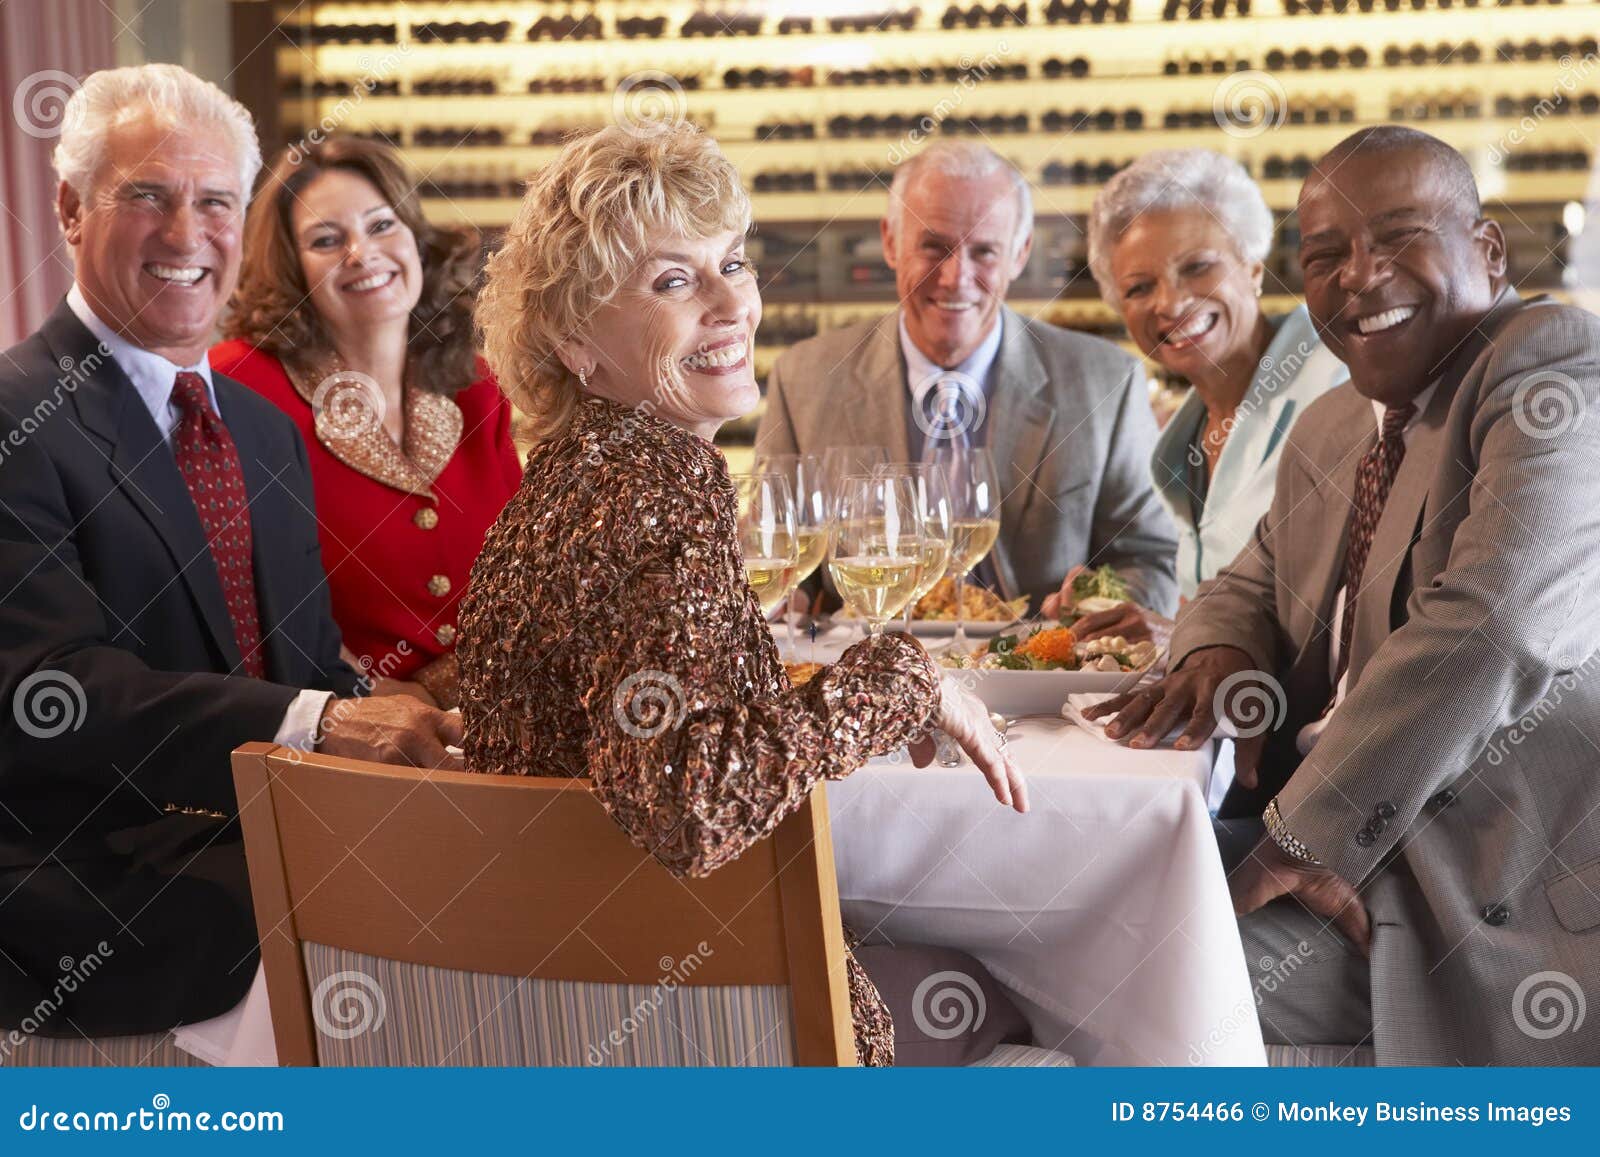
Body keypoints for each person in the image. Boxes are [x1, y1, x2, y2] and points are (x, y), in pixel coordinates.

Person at [457, 122, 1027, 1067]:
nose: (732, 302)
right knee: (1029, 993)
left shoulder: (565, 479)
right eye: (673, 281)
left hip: (558, 1009)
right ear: (572, 339)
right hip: (690, 1039)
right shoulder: (657, 485)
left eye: (734, 262)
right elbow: (689, 797)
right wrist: (904, 681)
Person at [1089, 126, 1600, 1065]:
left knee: (1122, 977)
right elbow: (1245, 582)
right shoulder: (1335, 422)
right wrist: (1217, 652)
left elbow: (1498, 621)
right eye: (1325, 256)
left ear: (1487, 251)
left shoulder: (1552, 363)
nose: (1359, 276)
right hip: (1329, 822)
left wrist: (1301, 837)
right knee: (1065, 895)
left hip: (1477, 870)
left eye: (1399, 236)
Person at [0, 65, 460, 1052]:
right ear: (72, 209)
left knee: (501, 859)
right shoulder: (15, 417)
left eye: (213, 202)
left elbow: (305, 670)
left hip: (267, 847)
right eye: (147, 196)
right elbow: (50, 691)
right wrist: (320, 723)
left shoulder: (259, 429)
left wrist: (418, 723)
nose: (184, 234)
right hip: (84, 882)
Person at [756, 140, 1177, 620]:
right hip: (864, 672)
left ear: (1020, 253)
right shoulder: (805, 378)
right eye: (934, 246)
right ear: (891, 243)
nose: (956, 277)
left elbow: (1150, 556)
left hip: (1039, 677)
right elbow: (789, 556)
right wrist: (789, 605)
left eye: (984, 252)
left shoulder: (1105, 380)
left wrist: (1096, 606)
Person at [214, 138, 522, 709]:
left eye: (381, 225)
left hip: (495, 724)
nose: (361, 253)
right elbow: (234, 601)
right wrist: (371, 698)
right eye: (327, 240)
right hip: (335, 742)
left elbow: (525, 575)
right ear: (291, 268)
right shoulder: (237, 385)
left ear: (415, 239)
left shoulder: (478, 387)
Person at [1051, 149, 1346, 610]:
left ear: (1252, 266)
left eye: (1196, 267)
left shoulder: (1337, 383)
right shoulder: (1180, 441)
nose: (1170, 303)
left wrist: (1175, 640)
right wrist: (1111, 614)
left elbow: (1339, 613)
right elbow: (1206, 608)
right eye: (1139, 288)